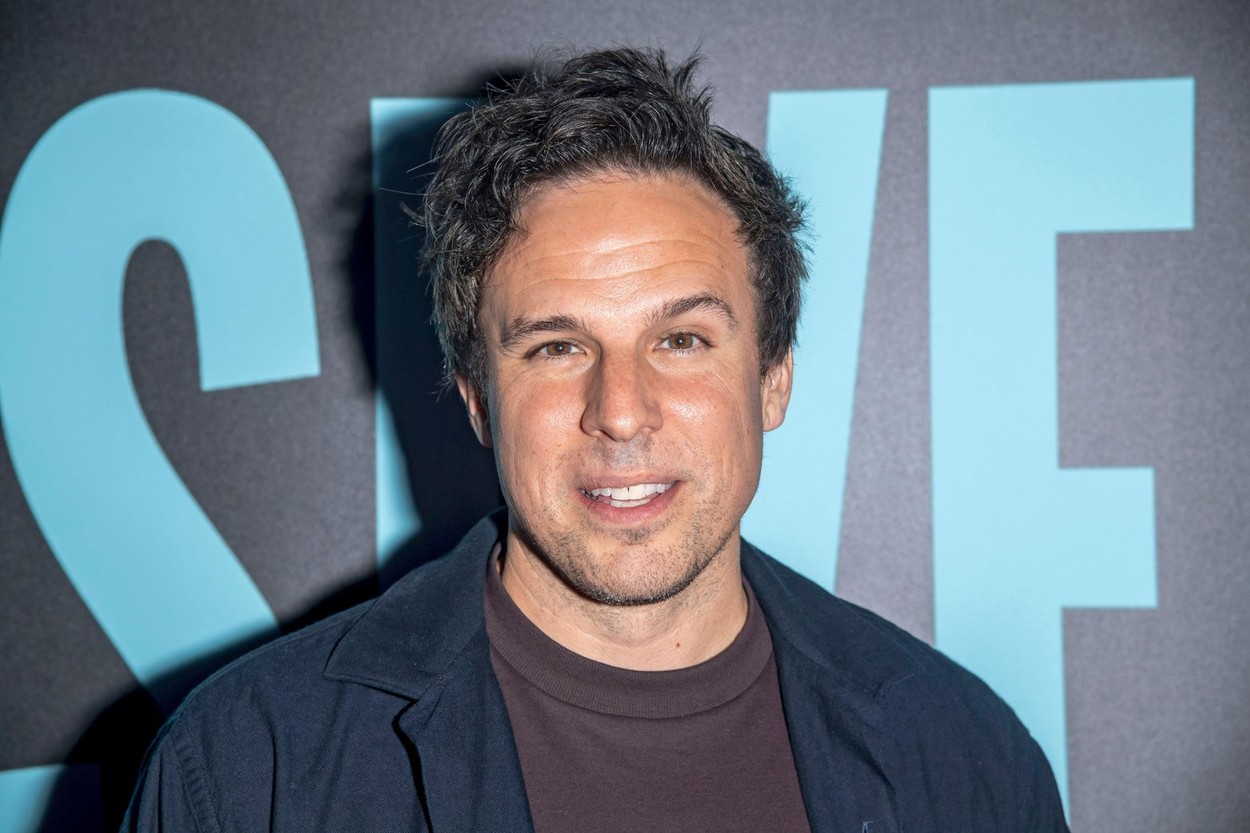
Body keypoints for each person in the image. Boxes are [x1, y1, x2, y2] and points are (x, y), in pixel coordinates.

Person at [123, 48, 1068, 832]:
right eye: (557, 346)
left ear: (773, 376)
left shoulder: (963, 757)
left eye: (681, 340)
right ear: (477, 399)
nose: (620, 410)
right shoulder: (252, 770)